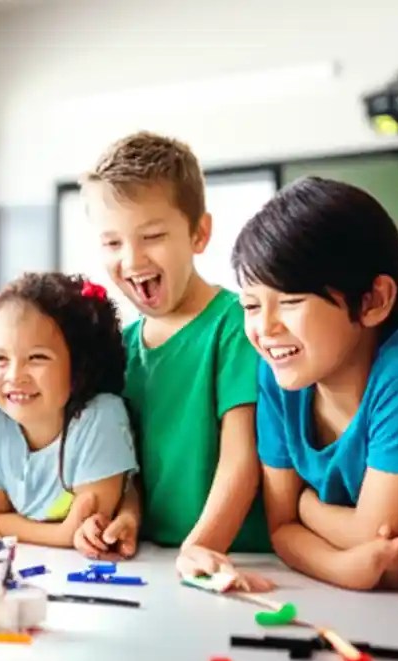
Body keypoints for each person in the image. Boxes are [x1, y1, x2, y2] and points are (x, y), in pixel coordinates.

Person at [233, 176, 398, 591]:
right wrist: (343, 568)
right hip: (394, 599)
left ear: (374, 300)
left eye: (290, 302)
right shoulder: (279, 370)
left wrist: (305, 506)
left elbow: (373, 534)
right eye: (250, 305)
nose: (265, 327)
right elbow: (280, 529)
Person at [75, 131, 270, 586]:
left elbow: (241, 459)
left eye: (153, 236)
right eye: (112, 243)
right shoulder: (120, 347)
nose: (132, 258)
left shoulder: (236, 325)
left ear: (199, 234)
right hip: (159, 561)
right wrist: (125, 516)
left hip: (235, 561)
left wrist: (202, 545)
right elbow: (132, 466)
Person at [0, 272, 137, 548]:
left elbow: (92, 517)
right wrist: (59, 534)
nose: (15, 376)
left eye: (37, 358)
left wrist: (0, 525)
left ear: (80, 363)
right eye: (0, 359)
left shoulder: (101, 418)